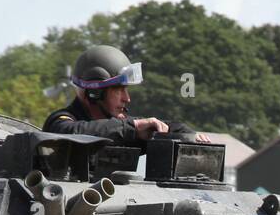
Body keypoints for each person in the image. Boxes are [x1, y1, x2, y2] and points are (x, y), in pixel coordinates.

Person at [43, 45, 209, 149]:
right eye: (118, 90)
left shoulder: (122, 129)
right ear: (95, 91)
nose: (127, 98)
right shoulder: (60, 122)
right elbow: (68, 133)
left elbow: (167, 127)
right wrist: (134, 128)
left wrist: (190, 137)